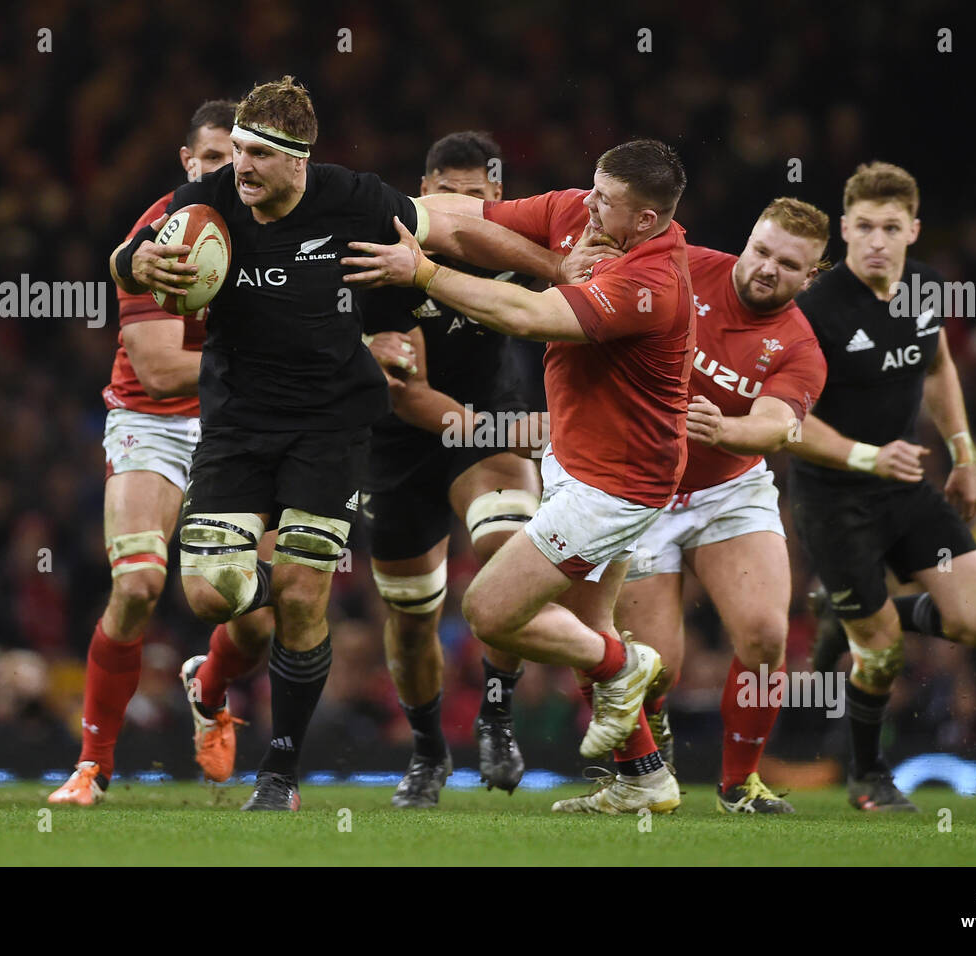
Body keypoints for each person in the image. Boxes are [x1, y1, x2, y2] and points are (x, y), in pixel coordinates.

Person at [110, 77, 590, 812]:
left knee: (307, 596)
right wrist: (134, 264)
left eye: (259, 154)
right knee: (212, 594)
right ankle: (300, 638)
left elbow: (456, 231)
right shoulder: (205, 207)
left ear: (302, 160)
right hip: (239, 427)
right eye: (236, 149)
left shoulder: (354, 199)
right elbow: (127, 258)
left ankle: (281, 774)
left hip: (331, 427)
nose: (241, 166)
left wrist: (558, 271)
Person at [345, 139, 695, 813]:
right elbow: (466, 222)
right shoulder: (581, 218)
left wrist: (420, 273)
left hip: (616, 482)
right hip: (577, 461)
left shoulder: (649, 281)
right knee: (586, 627)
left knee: (492, 611)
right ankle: (643, 778)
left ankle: (627, 671)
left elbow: (529, 315)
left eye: (606, 202)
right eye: (591, 190)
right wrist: (380, 209)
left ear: (646, 221)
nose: (586, 205)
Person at [48, 101, 276, 807]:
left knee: (258, 620)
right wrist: (273, 360)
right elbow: (158, 370)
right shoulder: (161, 234)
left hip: (239, 427)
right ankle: (93, 767)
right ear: (188, 162)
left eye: (236, 159)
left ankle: (208, 688)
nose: (223, 172)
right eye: (208, 158)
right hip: (154, 423)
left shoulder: (280, 229)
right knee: (141, 583)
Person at [790, 161, 976, 811]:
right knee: (880, 652)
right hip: (834, 500)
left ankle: (847, 611)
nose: (877, 241)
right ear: (845, 231)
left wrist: (964, 454)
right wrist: (865, 456)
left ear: (913, 230)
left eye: (890, 227)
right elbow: (787, 424)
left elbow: (937, 363)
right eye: (863, 227)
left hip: (904, 483)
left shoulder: (925, 288)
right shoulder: (815, 310)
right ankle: (868, 775)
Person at [611, 198, 830, 814]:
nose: (767, 268)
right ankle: (648, 769)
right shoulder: (681, 267)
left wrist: (723, 429)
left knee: (764, 634)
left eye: (788, 264)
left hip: (727, 488)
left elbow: (774, 426)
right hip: (637, 486)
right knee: (654, 669)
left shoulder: (801, 348)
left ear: (809, 277)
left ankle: (740, 785)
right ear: (748, 240)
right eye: (761, 250)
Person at [360, 132, 546, 807]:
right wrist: (515, 430)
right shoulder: (387, 251)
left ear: (498, 198)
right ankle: (429, 751)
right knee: (412, 614)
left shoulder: (521, 250)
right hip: (401, 440)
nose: (465, 209)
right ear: (425, 195)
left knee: (509, 559)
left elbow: (576, 299)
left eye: (478, 197)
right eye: (450, 197)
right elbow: (408, 394)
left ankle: (496, 715)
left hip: (492, 422)